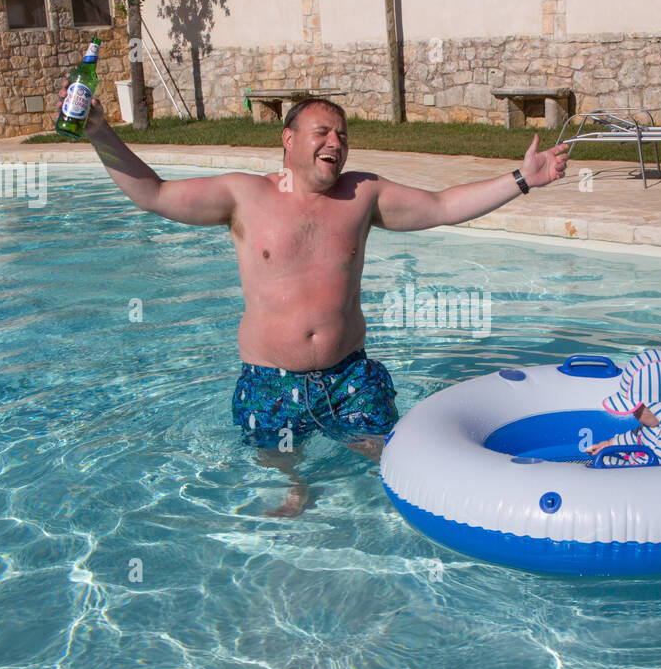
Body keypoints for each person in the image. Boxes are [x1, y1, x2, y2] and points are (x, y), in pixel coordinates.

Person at [62, 86, 571, 513]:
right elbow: (152, 193)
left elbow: (441, 206)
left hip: (350, 377)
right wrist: (98, 131)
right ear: (288, 139)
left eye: (342, 136)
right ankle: (296, 490)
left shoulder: (361, 195)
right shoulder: (244, 195)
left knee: (397, 469)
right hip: (269, 381)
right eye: (322, 133)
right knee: (282, 482)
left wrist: (523, 178)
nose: (335, 143)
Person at [585, 349, 661, 465]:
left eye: (638, 409)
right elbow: (636, 436)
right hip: (642, 467)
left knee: (605, 463)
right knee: (605, 458)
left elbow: (654, 470)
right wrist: (609, 444)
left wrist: (625, 467)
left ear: (660, 409)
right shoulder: (654, 422)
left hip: (658, 477)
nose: (634, 414)